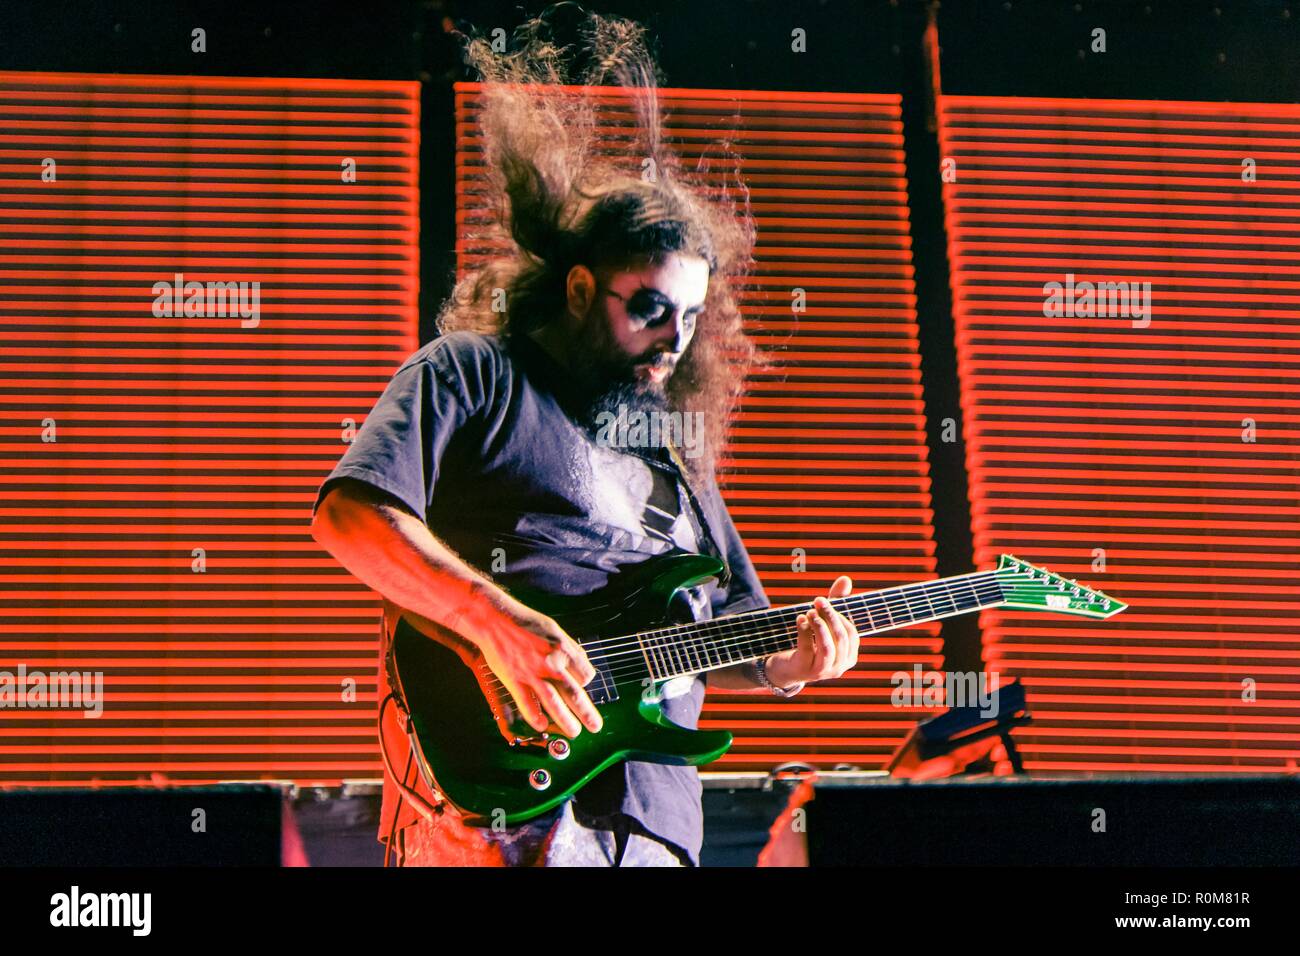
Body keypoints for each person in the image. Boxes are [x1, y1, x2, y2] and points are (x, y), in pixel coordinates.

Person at [309, 7, 860, 867]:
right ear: (576, 289)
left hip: (656, 828)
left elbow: (729, 632)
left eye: (688, 317)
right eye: (648, 309)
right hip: (500, 804)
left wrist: (793, 662)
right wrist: (497, 622)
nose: (673, 339)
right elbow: (348, 518)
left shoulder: (670, 449)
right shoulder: (473, 374)